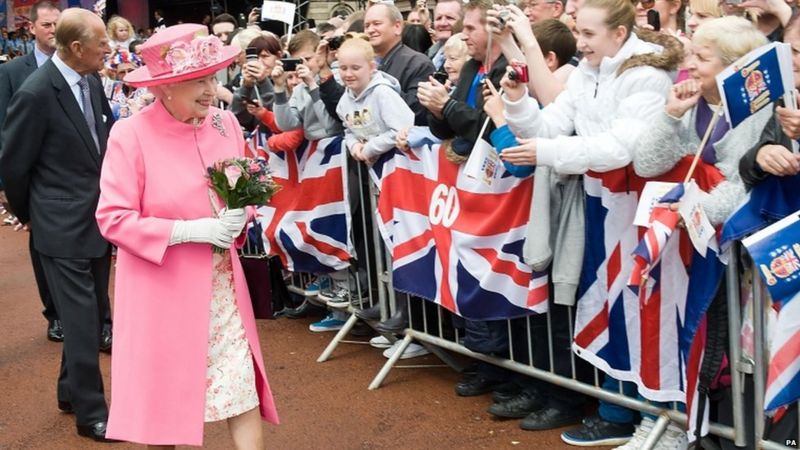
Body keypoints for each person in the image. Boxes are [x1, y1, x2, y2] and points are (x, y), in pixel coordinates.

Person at [496, 0, 681, 444]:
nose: (580, 44)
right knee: (610, 306)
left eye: (588, 35)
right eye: (577, 33)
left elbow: (622, 148)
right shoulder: (587, 72)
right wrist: (518, 101)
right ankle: (626, 412)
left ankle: (664, 421)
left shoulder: (647, 77)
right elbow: (551, 127)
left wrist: (548, 153)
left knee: (652, 314)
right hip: (604, 203)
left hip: (646, 207)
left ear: (619, 34)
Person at [94, 23, 279, 446]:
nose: (210, 89)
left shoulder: (224, 124)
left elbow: (245, 183)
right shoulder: (130, 134)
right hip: (161, 289)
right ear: (165, 87)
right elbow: (113, 218)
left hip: (221, 284)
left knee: (240, 386)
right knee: (163, 404)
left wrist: (240, 214)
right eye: (197, 79)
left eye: (212, 77)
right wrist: (188, 230)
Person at [0, 8, 115, 442]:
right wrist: (36, 215)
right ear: (77, 48)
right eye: (101, 43)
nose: (109, 49)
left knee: (89, 312)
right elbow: (14, 166)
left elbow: (100, 143)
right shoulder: (34, 93)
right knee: (85, 320)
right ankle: (92, 413)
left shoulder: (93, 80)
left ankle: (70, 391)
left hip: (97, 219)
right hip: (59, 224)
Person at [0, 0, 71, 343]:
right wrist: (6, 186)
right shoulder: (11, 73)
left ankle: (98, 320)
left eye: (58, 23)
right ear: (31, 28)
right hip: (35, 177)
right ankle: (54, 314)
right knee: (42, 247)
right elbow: (4, 131)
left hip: (74, 175)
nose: (54, 30)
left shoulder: (79, 67)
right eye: (47, 25)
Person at [318, 3, 435, 126]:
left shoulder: (418, 64)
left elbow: (417, 113)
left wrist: (376, 85)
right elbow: (345, 112)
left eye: (377, 24)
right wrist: (324, 70)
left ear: (397, 26)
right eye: (367, 25)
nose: (370, 30)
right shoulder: (362, 63)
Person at [336, 34, 414, 162]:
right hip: (370, 167)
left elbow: (403, 129)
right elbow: (348, 130)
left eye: (355, 68)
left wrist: (370, 148)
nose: (348, 74)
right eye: (343, 68)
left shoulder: (383, 93)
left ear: (372, 67)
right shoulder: (344, 102)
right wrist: (354, 145)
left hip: (398, 164)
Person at [273, 30, 342, 141]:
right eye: (298, 61)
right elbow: (286, 125)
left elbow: (332, 127)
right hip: (314, 148)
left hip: (337, 144)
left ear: (321, 53)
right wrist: (279, 88)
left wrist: (312, 85)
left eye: (308, 59)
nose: (304, 65)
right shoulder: (299, 89)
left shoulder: (337, 79)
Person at [230, 33, 281, 126]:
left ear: (278, 56)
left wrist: (263, 81)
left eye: (265, 56)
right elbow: (239, 118)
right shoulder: (253, 82)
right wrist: (246, 86)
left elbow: (280, 116)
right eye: (256, 58)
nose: (260, 62)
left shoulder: (289, 79)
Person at [427, 0, 464, 69]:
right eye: (438, 18)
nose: (443, 23)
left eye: (449, 18)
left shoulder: (470, 57)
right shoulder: (429, 53)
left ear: (463, 21)